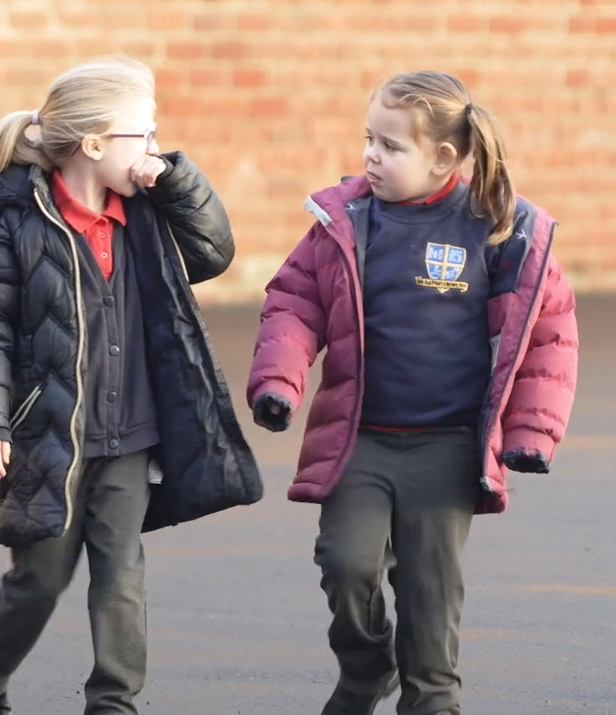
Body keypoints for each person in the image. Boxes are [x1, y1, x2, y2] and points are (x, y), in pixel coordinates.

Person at [0, 56, 263, 715]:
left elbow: (214, 250)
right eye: (141, 134)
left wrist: (175, 183)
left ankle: (114, 700)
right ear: (91, 145)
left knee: (121, 579)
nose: (153, 148)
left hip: (130, 437)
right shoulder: (9, 227)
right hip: (46, 436)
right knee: (41, 579)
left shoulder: (148, 216)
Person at [246, 71, 579, 715]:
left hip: (447, 447)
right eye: (369, 139)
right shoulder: (344, 221)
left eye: (391, 146)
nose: (371, 155)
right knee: (346, 564)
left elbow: (549, 332)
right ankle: (367, 665)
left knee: (430, 593)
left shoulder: (500, 228)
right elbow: (294, 303)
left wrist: (532, 432)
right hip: (360, 437)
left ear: (444, 159)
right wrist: (279, 380)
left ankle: (432, 697)